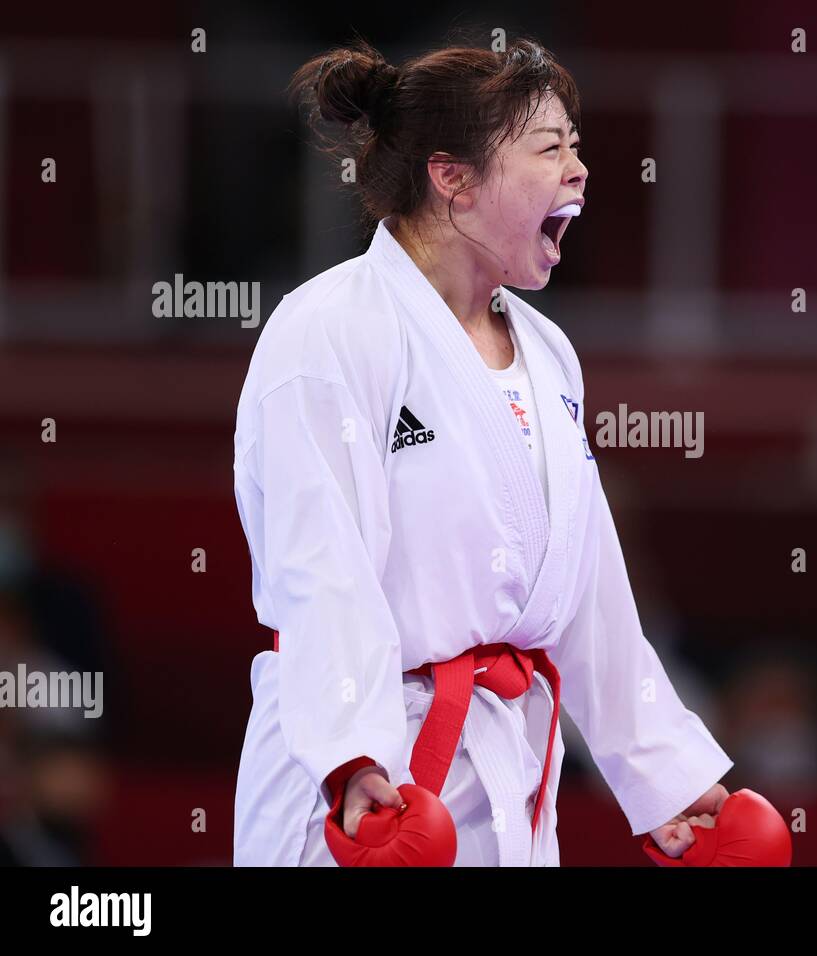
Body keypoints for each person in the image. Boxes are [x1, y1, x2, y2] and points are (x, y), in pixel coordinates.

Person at [231, 37, 733, 866]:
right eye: (549, 148)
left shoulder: (548, 353)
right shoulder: (330, 330)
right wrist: (353, 761)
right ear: (451, 177)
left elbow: (590, 593)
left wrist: (664, 772)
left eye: (576, 146)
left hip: (508, 776)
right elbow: (318, 564)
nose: (578, 170)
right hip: (364, 782)